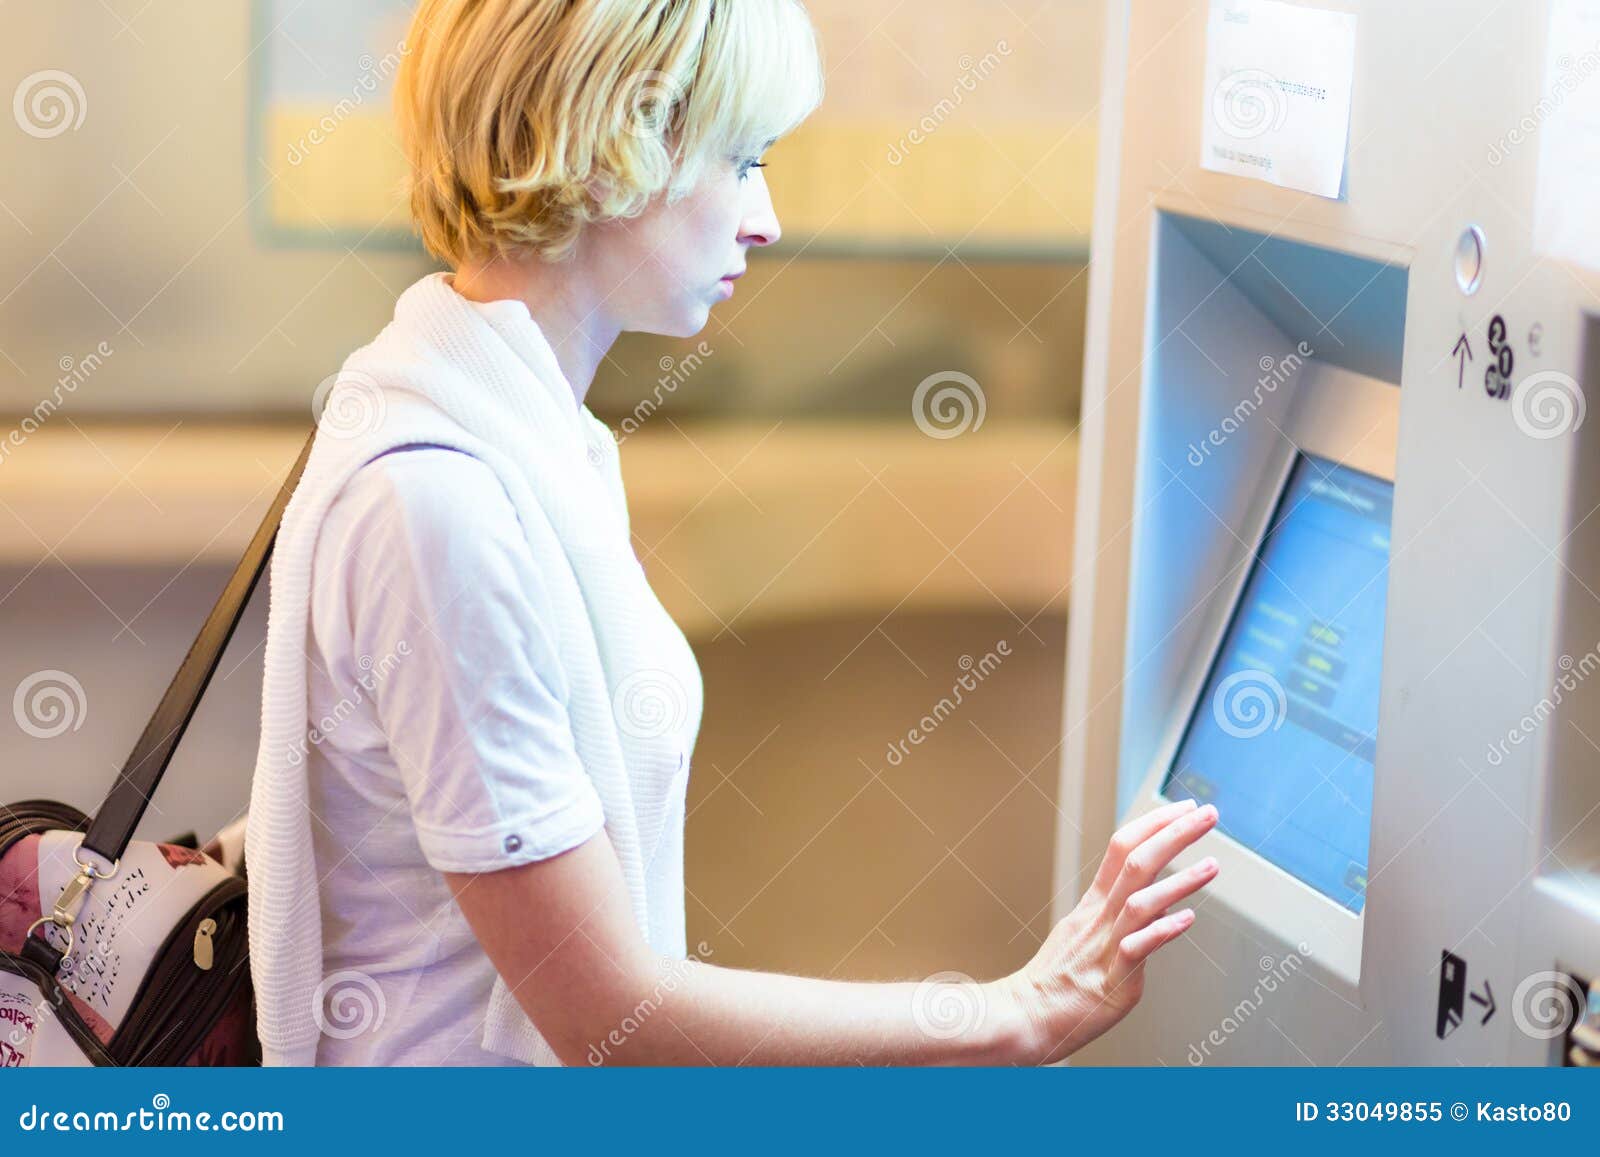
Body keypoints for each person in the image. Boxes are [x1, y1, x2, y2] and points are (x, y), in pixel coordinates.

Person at [244, 0, 1221, 1067]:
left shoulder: (511, 432)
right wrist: (1022, 1011)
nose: (766, 218)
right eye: (742, 159)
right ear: (611, 151)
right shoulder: (442, 505)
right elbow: (610, 1016)